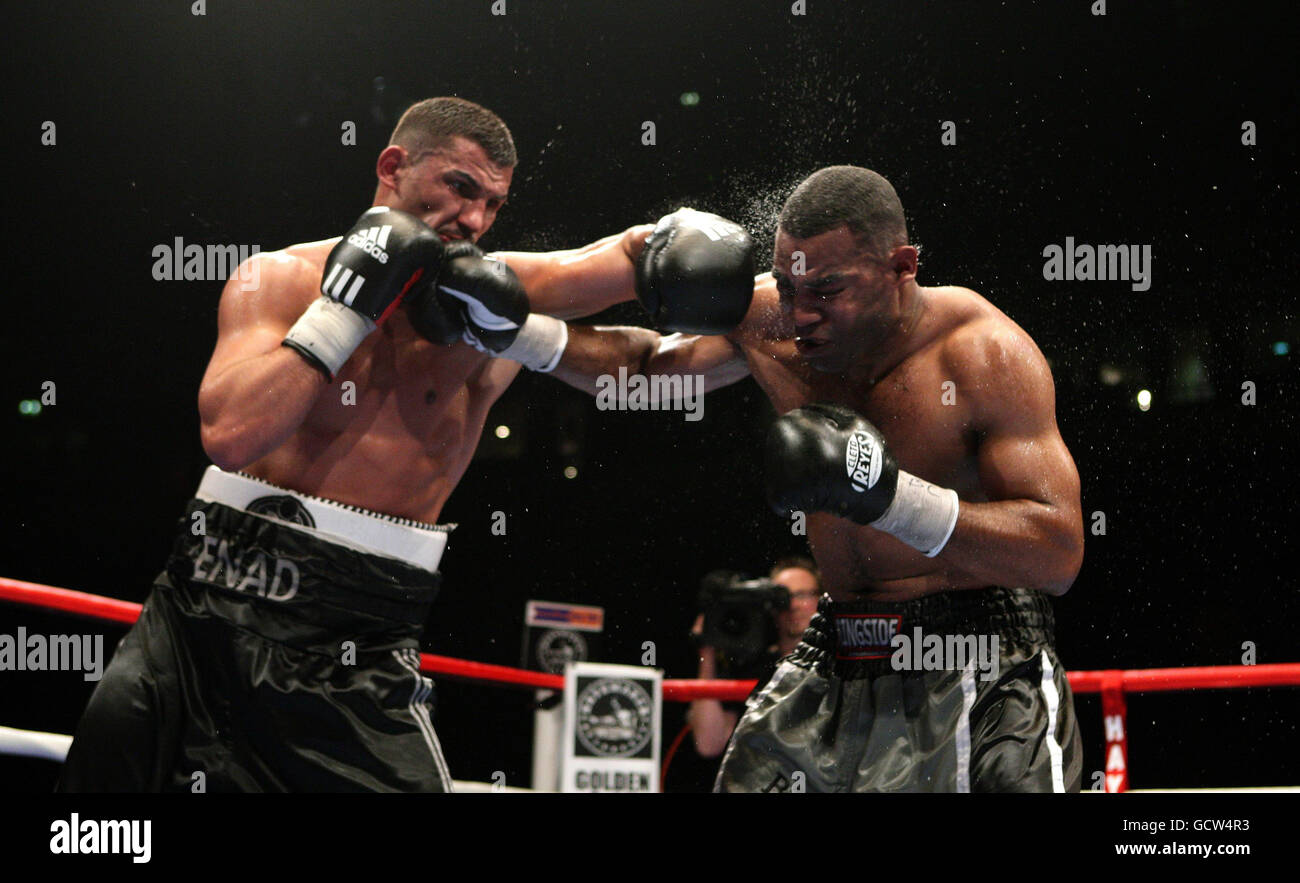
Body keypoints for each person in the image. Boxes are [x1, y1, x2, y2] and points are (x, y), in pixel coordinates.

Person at [56, 96, 754, 792]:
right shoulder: (279, 280)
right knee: (95, 835)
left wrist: (684, 243)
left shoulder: (497, 297)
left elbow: (628, 270)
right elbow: (232, 436)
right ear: (393, 165)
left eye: (494, 204)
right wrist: (347, 307)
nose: (475, 220)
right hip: (194, 616)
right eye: (460, 186)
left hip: (354, 643)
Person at [480, 165, 1085, 792]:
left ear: (902, 266)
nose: (800, 314)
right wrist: (510, 330)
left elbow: (1058, 554)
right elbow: (646, 371)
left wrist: (889, 497)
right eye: (790, 284)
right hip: (838, 644)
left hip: (975, 656)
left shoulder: (982, 353)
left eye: (827, 289)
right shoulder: (776, 316)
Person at [687, 557, 820, 758]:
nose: (793, 604)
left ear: (821, 598)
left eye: (802, 595)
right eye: (782, 597)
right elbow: (708, 744)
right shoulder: (753, 668)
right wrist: (708, 650)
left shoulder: (839, 664)